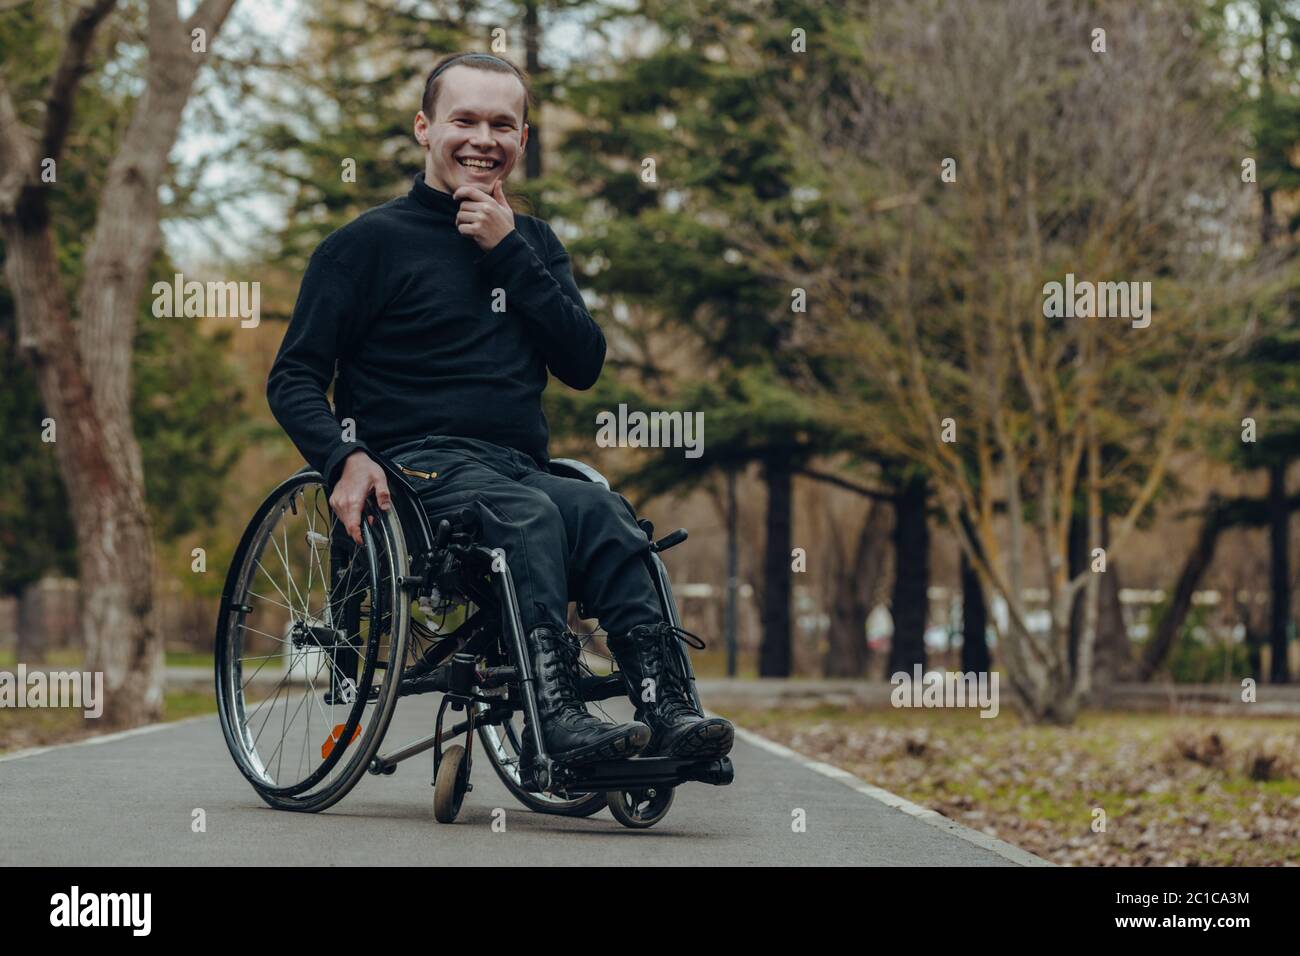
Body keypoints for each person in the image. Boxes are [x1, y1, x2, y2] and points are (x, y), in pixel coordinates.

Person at [267, 51, 734, 774]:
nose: (484, 138)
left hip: (515, 468)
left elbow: (582, 364)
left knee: (602, 512)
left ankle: (667, 706)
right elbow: (293, 376)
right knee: (527, 513)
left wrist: (508, 251)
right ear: (425, 128)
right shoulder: (365, 246)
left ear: (522, 138)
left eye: (502, 124)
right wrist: (342, 457)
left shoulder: (534, 245)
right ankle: (557, 721)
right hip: (412, 470)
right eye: (465, 120)